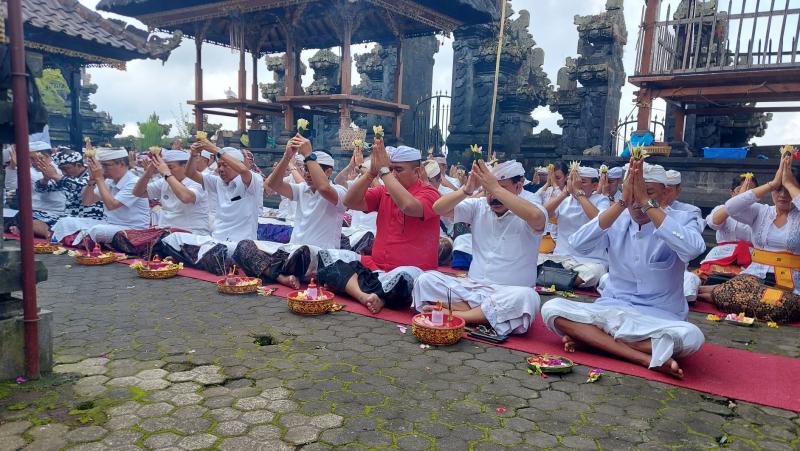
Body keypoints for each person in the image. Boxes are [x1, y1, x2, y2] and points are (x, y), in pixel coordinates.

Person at [541, 160, 706, 379]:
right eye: (632, 195)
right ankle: (642, 357)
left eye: (647, 193)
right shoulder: (618, 218)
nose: (637, 203)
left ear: (665, 193)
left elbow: (693, 250)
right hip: (611, 308)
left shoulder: (685, 217)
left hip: (659, 317)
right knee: (551, 309)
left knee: (690, 337)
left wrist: (649, 205)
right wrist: (621, 203)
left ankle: (594, 341)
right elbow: (577, 243)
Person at [412, 160, 547, 335]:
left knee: (527, 298)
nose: (493, 196)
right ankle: (483, 314)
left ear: (519, 185)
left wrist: (494, 188)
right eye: (488, 190)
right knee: (425, 280)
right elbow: (437, 208)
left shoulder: (532, 207)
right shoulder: (479, 205)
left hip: (509, 292)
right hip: (472, 288)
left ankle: (459, 314)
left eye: (502, 188)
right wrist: (466, 190)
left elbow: (537, 217)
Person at [315, 143, 441, 313]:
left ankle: (363, 289)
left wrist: (384, 171)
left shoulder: (430, 193)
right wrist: (371, 173)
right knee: (328, 256)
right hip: (375, 267)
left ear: (417, 171)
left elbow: (409, 206)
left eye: (398, 170)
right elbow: (349, 202)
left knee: (406, 279)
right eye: (391, 169)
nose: (393, 174)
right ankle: (365, 296)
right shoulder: (383, 191)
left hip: (410, 270)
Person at [232, 138, 348, 289]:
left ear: (328, 172)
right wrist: (287, 157)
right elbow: (271, 185)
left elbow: (324, 188)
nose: (307, 174)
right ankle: (282, 277)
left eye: (312, 169)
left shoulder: (340, 192)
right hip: (291, 252)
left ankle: (277, 272)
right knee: (244, 246)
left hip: (315, 257)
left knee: (304, 252)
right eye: (306, 169)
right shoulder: (301, 189)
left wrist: (308, 154)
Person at [710, 156, 800, 322]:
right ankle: (713, 292)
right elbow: (731, 206)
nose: (782, 195)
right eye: (778, 190)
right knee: (727, 293)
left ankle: (708, 293)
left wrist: (789, 182)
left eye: (788, 190)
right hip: (755, 275)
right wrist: (771, 184)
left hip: (793, 283)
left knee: (778, 305)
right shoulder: (761, 211)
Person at [157, 143, 263, 274]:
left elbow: (243, 170)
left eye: (225, 165)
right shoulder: (217, 182)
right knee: (173, 238)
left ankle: (193, 259)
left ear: (237, 163)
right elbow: (189, 173)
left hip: (237, 245)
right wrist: (193, 154)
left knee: (231, 250)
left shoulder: (252, 182)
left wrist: (214, 149)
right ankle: (206, 260)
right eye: (219, 165)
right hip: (214, 241)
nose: (221, 169)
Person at [52, 148, 150, 245]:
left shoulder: (134, 182)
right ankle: (73, 242)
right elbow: (87, 201)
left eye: (106, 165)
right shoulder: (109, 181)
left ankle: (80, 242)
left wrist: (99, 178)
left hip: (132, 228)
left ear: (122, 164)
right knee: (66, 222)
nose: (102, 169)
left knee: (97, 230)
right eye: (101, 165)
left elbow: (111, 205)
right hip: (109, 224)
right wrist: (91, 181)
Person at [539, 165, 611, 288]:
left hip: (589, 261)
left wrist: (579, 194)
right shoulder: (565, 200)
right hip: (560, 259)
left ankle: (551, 278)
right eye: (574, 181)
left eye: (582, 182)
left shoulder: (601, 200)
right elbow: (542, 214)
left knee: (595, 273)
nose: (577, 185)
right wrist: (566, 192)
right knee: (533, 260)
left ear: (595, 185)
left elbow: (599, 222)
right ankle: (563, 279)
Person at [132, 150, 210, 235]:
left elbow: (186, 197)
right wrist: (148, 173)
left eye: (170, 167)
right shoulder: (165, 181)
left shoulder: (199, 181)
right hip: (166, 231)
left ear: (185, 166)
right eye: (165, 167)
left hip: (191, 233)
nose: (166, 170)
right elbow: (138, 193)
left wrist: (166, 173)